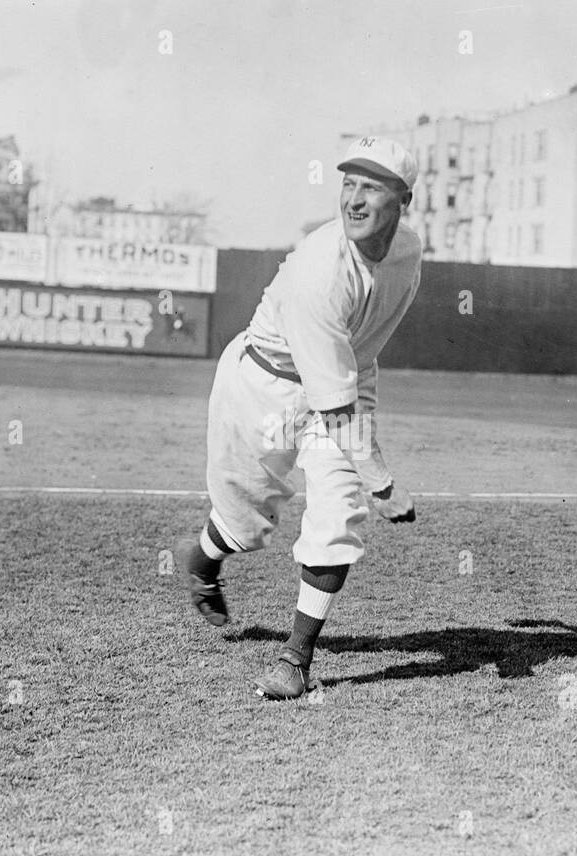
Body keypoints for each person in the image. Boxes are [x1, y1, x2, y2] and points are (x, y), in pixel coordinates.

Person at [174, 135, 423, 700]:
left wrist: (365, 476)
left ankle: (295, 659)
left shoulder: (408, 252)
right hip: (264, 386)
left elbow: (348, 378)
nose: (355, 199)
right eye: (349, 183)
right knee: (246, 521)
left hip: (341, 384)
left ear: (402, 199)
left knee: (339, 512)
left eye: (372, 187)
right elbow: (332, 405)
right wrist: (381, 480)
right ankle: (203, 561)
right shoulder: (319, 271)